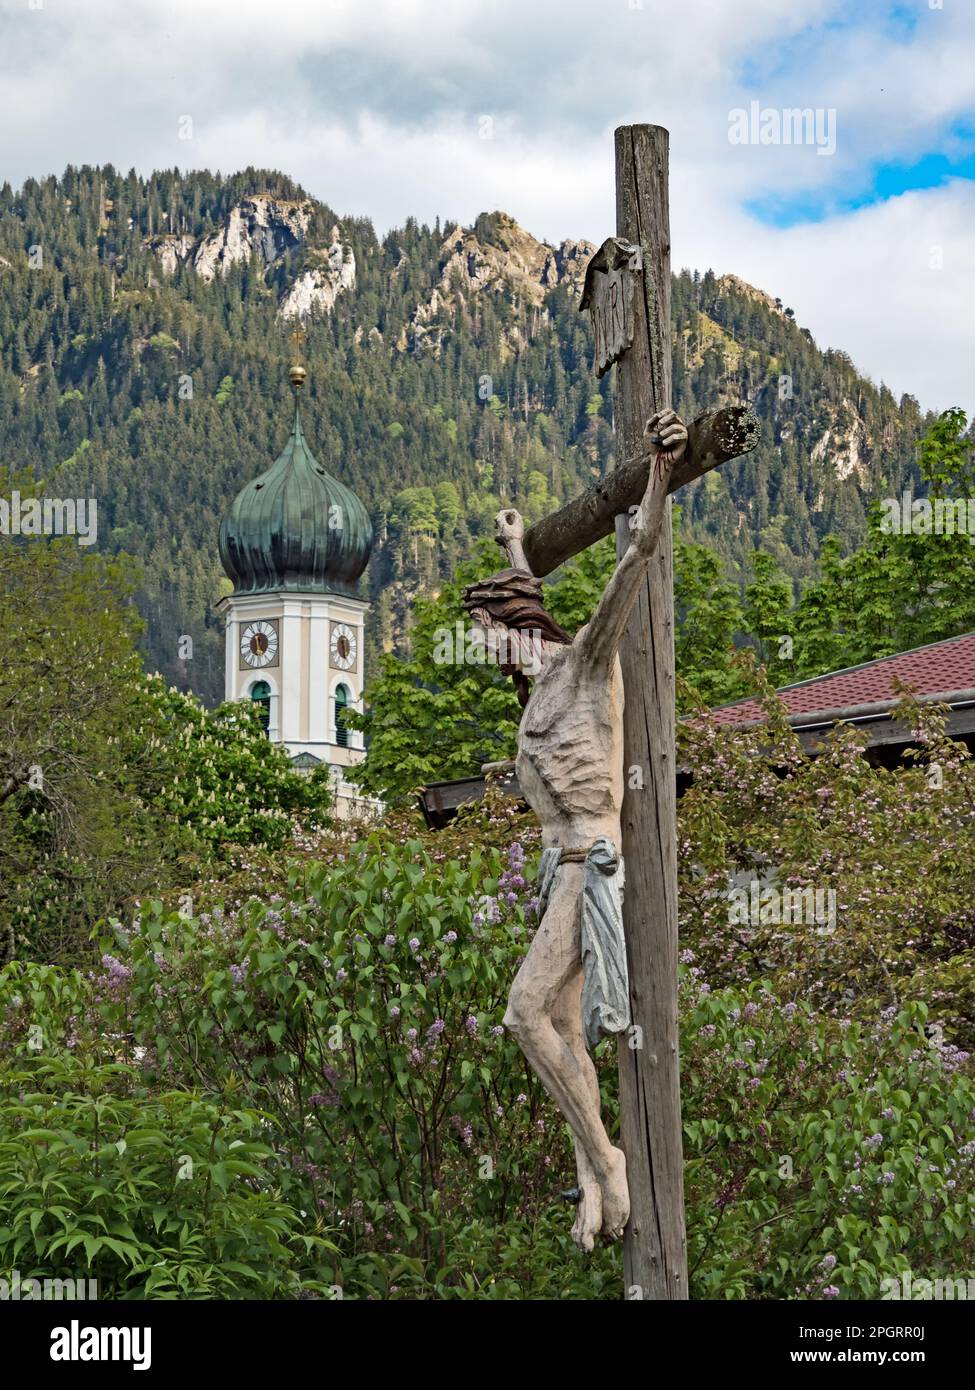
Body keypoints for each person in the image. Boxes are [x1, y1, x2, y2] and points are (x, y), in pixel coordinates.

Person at [463, 408, 688, 1249]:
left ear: (524, 631)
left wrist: (660, 474)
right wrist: (515, 551)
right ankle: (594, 1170)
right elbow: (529, 605)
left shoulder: (585, 662)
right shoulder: (534, 702)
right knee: (551, 1024)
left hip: (592, 860)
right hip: (565, 865)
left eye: (493, 630)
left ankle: (610, 1159)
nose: (486, 644)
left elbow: (634, 559)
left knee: (525, 1014)